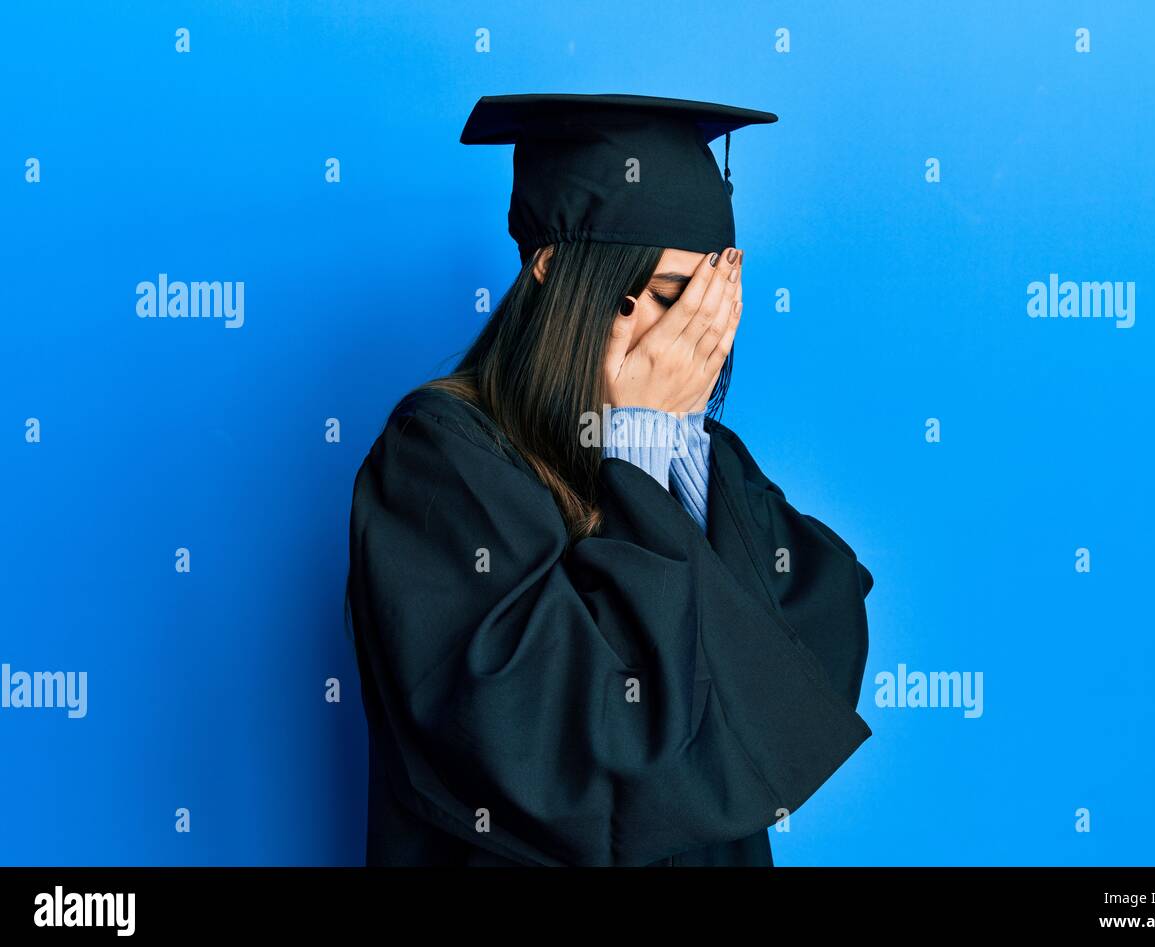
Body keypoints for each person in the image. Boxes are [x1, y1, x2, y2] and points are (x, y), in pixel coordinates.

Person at [346, 94, 875, 866]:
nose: (696, 336)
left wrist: (669, 453)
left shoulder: (703, 452)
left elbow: (810, 649)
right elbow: (544, 744)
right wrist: (634, 457)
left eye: (708, 298)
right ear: (554, 268)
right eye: (667, 296)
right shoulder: (439, 455)